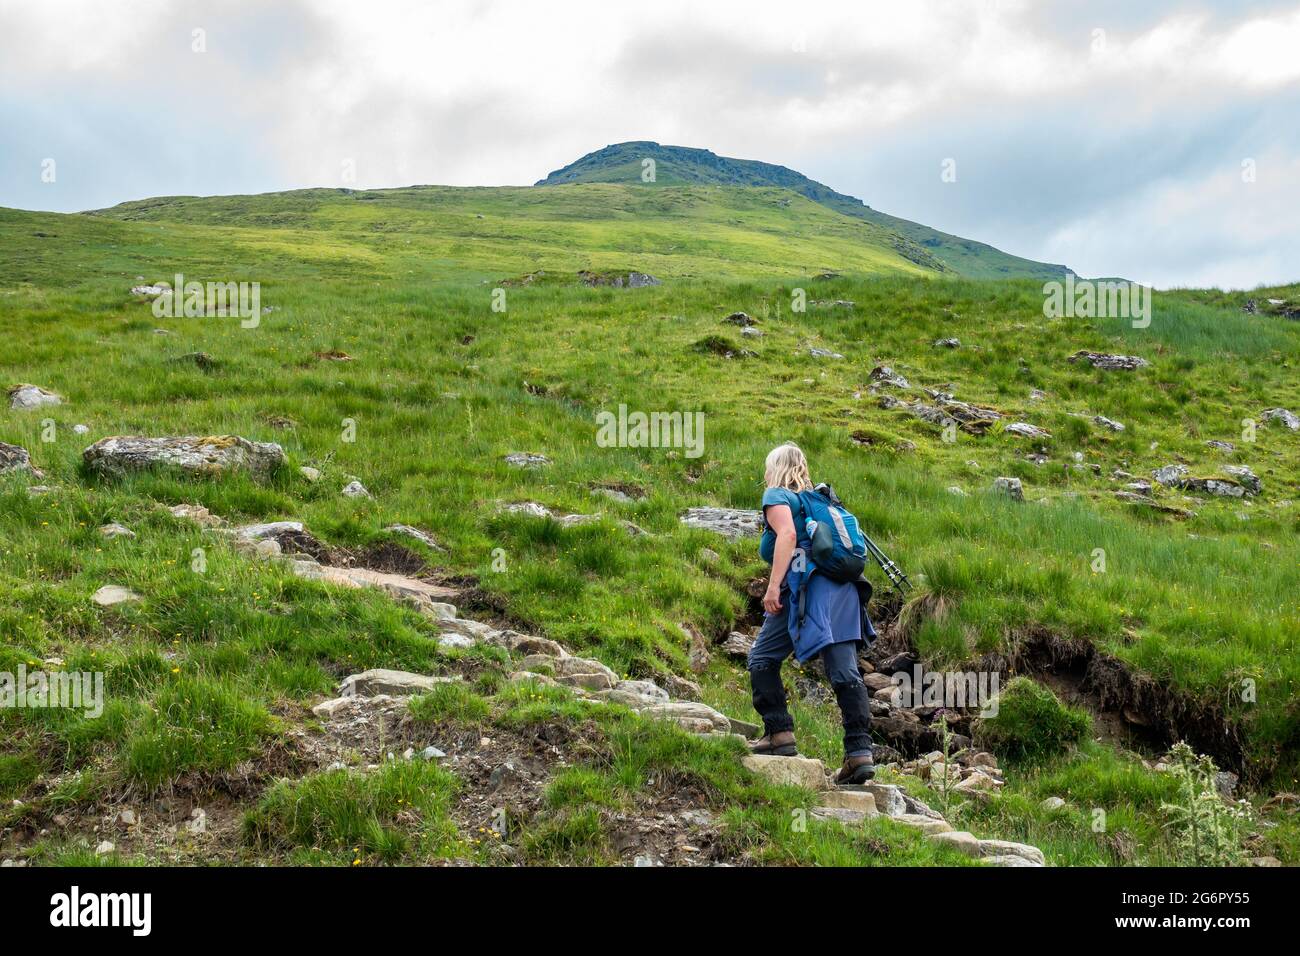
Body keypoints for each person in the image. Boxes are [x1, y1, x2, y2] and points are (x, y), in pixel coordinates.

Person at [747, 442, 876, 784]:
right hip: (844, 592)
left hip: (806, 590)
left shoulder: (777, 495)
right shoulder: (820, 501)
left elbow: (788, 535)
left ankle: (779, 734)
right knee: (845, 673)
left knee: (761, 658)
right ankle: (859, 755)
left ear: (774, 468)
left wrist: (773, 587)